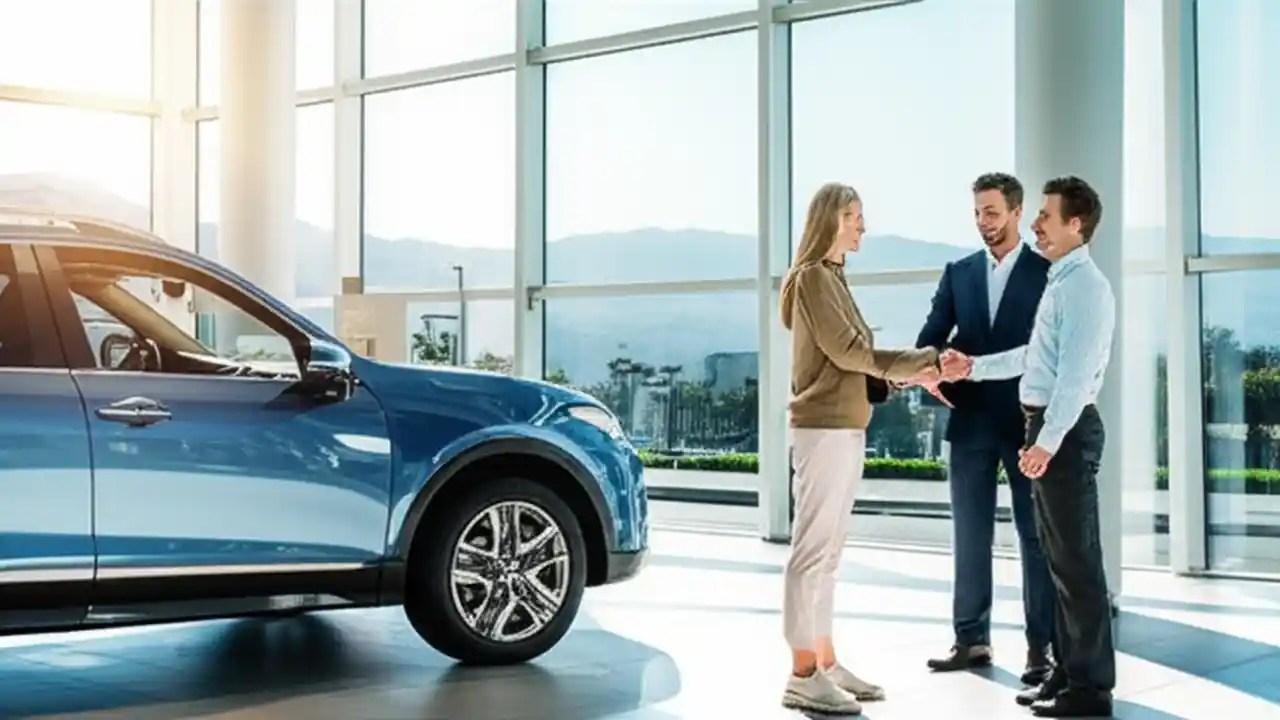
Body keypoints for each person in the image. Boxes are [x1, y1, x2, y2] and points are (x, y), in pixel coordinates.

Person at [941, 175, 1116, 718]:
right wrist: (973, 368)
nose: (1036, 223)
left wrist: (1044, 442)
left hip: (1061, 432)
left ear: (1075, 224)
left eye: (1045, 215)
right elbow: (1031, 360)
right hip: (1045, 427)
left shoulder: (1085, 288)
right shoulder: (1060, 283)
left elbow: (1072, 379)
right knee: (1060, 566)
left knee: (1077, 567)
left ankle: (1089, 692)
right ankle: (1066, 674)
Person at [778, 182, 943, 715]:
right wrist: (923, 361)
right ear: (829, 220)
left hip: (844, 426)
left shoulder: (833, 278)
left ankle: (825, 661)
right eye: (853, 216)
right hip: (823, 428)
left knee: (828, 555)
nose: (862, 226)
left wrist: (915, 375)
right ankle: (803, 673)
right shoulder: (811, 279)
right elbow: (850, 351)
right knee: (812, 552)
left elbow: (857, 362)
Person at [918, 173, 1057, 685]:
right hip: (970, 420)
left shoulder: (1047, 274)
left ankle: (1040, 650)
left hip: (1026, 425)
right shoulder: (959, 273)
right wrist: (930, 368)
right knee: (969, 537)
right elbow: (931, 337)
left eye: (992, 212)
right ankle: (970, 639)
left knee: (1034, 537)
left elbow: (1044, 352)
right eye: (978, 212)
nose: (983, 222)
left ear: (1017, 212)